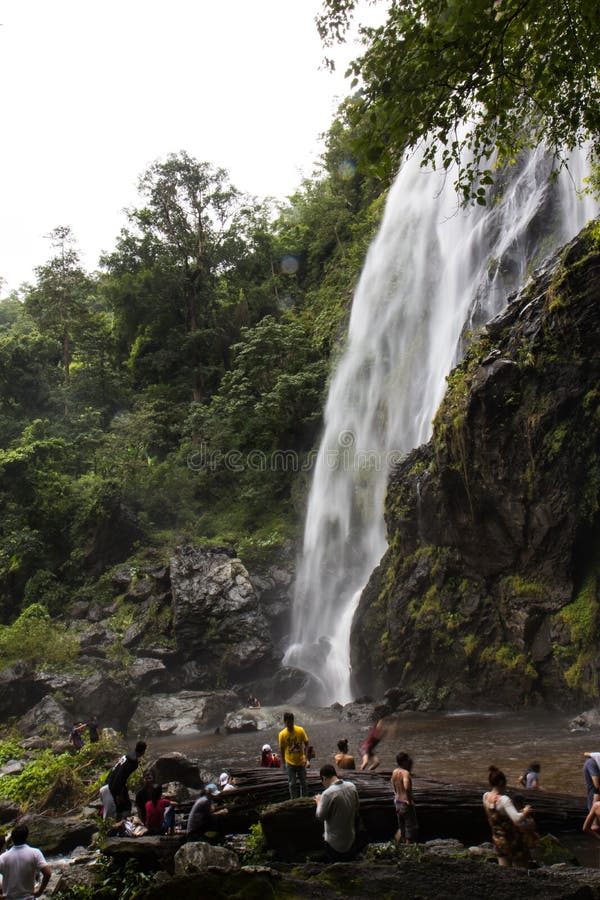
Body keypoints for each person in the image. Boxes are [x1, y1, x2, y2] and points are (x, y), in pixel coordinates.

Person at [482, 765, 533, 867]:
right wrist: (525, 812)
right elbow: (517, 819)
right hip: (512, 840)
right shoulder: (504, 800)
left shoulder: (485, 796)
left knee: (504, 871)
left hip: (497, 839)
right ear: (502, 782)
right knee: (520, 869)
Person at [315, 763, 360, 862]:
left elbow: (320, 816)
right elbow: (357, 807)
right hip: (350, 838)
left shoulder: (327, 794)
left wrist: (319, 802)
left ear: (324, 778)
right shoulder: (352, 786)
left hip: (333, 843)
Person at [0, 823, 52, 899]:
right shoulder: (35, 853)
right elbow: (47, 873)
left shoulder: (3, 857)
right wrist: (40, 891)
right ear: (26, 837)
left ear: (12, 839)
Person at [100, 740, 147, 820]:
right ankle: (120, 822)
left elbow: (115, 770)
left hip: (109, 782)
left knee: (123, 805)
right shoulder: (133, 762)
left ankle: (117, 820)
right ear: (143, 751)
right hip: (115, 786)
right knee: (125, 807)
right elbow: (121, 776)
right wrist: (118, 794)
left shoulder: (126, 756)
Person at [278, 711, 310, 799]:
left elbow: (307, 743)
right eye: (288, 722)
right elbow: (281, 749)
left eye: (291, 722)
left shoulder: (300, 730)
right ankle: (294, 801)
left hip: (301, 761)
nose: (289, 724)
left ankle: (304, 800)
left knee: (304, 783)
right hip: (289, 762)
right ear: (284, 722)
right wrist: (283, 763)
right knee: (292, 784)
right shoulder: (282, 734)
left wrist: (306, 758)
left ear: (293, 721)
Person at [391, 751, 418, 844]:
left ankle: (397, 846)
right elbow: (406, 787)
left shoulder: (395, 772)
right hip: (405, 803)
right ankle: (408, 849)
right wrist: (409, 800)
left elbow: (393, 783)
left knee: (401, 828)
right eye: (407, 760)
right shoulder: (405, 773)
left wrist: (397, 793)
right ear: (404, 761)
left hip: (397, 803)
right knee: (410, 831)